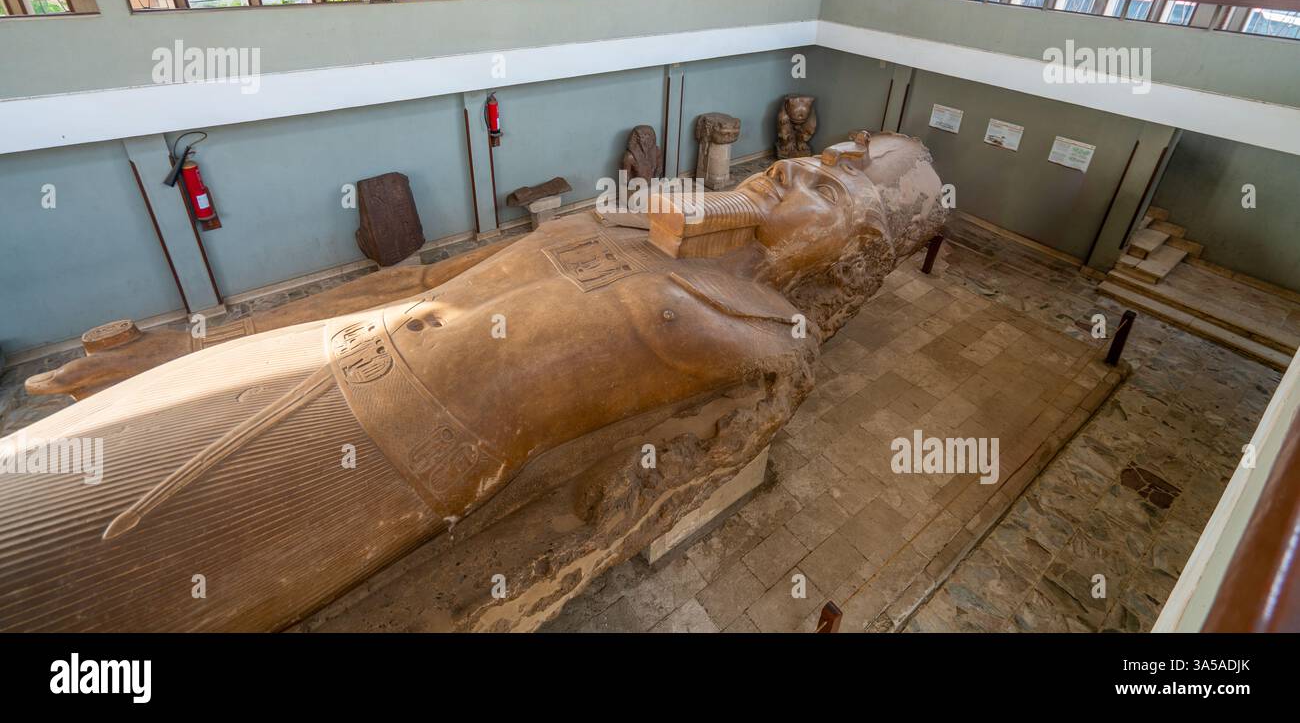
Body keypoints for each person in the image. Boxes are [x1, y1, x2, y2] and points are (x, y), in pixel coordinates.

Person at [0, 133, 945, 631]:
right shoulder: (625, 222)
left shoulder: (769, 339)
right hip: (327, 348)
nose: (792, 170)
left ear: (847, 253)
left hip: (373, 470)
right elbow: (420, 284)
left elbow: (665, 462)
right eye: (814, 157)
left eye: (831, 186)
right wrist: (179, 350)